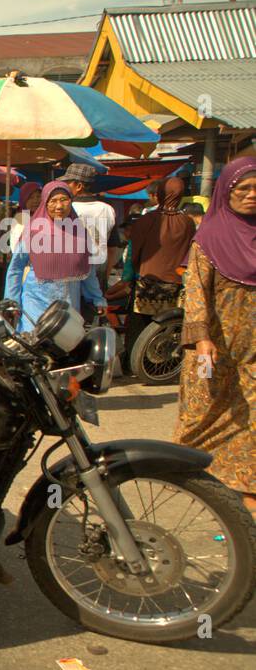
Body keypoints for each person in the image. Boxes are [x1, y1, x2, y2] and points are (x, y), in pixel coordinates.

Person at [174, 156, 256, 521]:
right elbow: (195, 292)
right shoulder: (208, 238)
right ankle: (180, 472)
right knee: (203, 410)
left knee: (251, 415)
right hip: (212, 347)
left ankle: (247, 483)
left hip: (252, 347)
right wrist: (201, 338)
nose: (252, 196)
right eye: (244, 189)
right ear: (227, 192)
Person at [4, 180, 107, 332]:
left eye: (64, 200)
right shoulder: (33, 233)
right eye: (53, 201)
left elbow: (87, 270)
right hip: (35, 309)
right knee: (34, 350)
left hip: (68, 311)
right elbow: (16, 269)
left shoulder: (80, 234)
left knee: (65, 351)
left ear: (71, 202)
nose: (59, 206)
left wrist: (97, 298)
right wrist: (12, 301)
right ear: (45, 204)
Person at [122, 176, 195, 353]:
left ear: (160, 194)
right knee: (170, 327)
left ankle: (131, 362)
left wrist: (128, 278)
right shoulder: (187, 222)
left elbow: (134, 252)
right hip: (176, 285)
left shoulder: (146, 220)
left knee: (138, 327)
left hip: (147, 283)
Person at [61, 162, 119, 286]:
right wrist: (104, 278)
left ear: (79, 186)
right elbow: (112, 249)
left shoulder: (66, 209)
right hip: (98, 276)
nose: (64, 186)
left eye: (68, 183)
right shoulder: (108, 209)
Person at [5, 181, 44, 255]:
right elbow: (16, 247)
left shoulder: (44, 216)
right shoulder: (21, 218)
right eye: (31, 197)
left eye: (38, 196)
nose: (35, 200)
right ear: (24, 199)